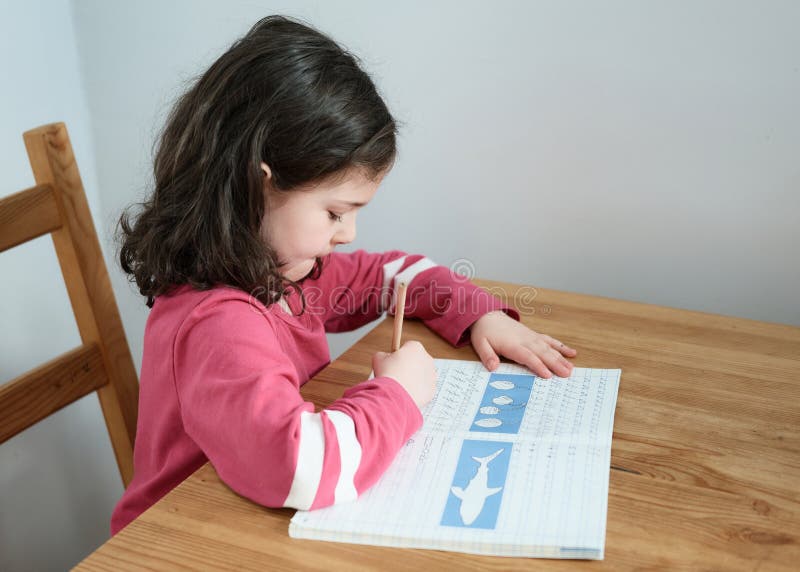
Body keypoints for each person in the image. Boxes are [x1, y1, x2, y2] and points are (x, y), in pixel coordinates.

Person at [110, 15, 577, 534]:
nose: (349, 234)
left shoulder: (287, 271)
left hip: (248, 527)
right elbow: (300, 467)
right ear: (258, 183)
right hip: (177, 543)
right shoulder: (217, 324)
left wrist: (479, 316)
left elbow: (395, 276)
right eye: (335, 212)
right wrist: (396, 394)